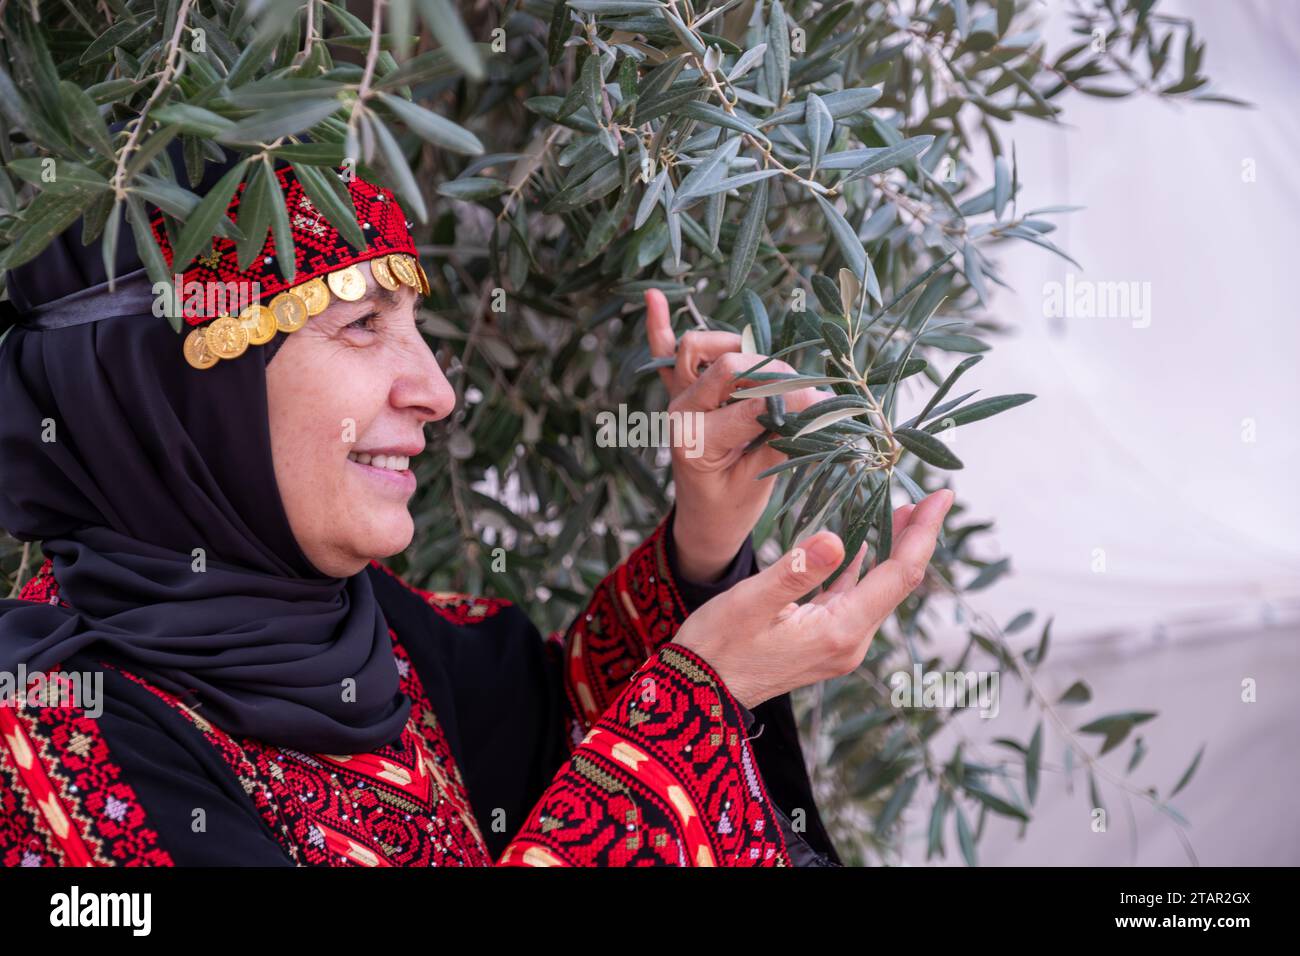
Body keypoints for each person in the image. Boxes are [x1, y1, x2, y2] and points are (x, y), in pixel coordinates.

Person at [0, 152, 952, 867]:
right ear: (172, 394)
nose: (438, 391)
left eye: (415, 327)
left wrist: (705, 541)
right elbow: (629, 754)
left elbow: (558, 747)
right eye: (361, 324)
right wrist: (694, 709)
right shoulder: (58, 751)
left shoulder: (371, 632)